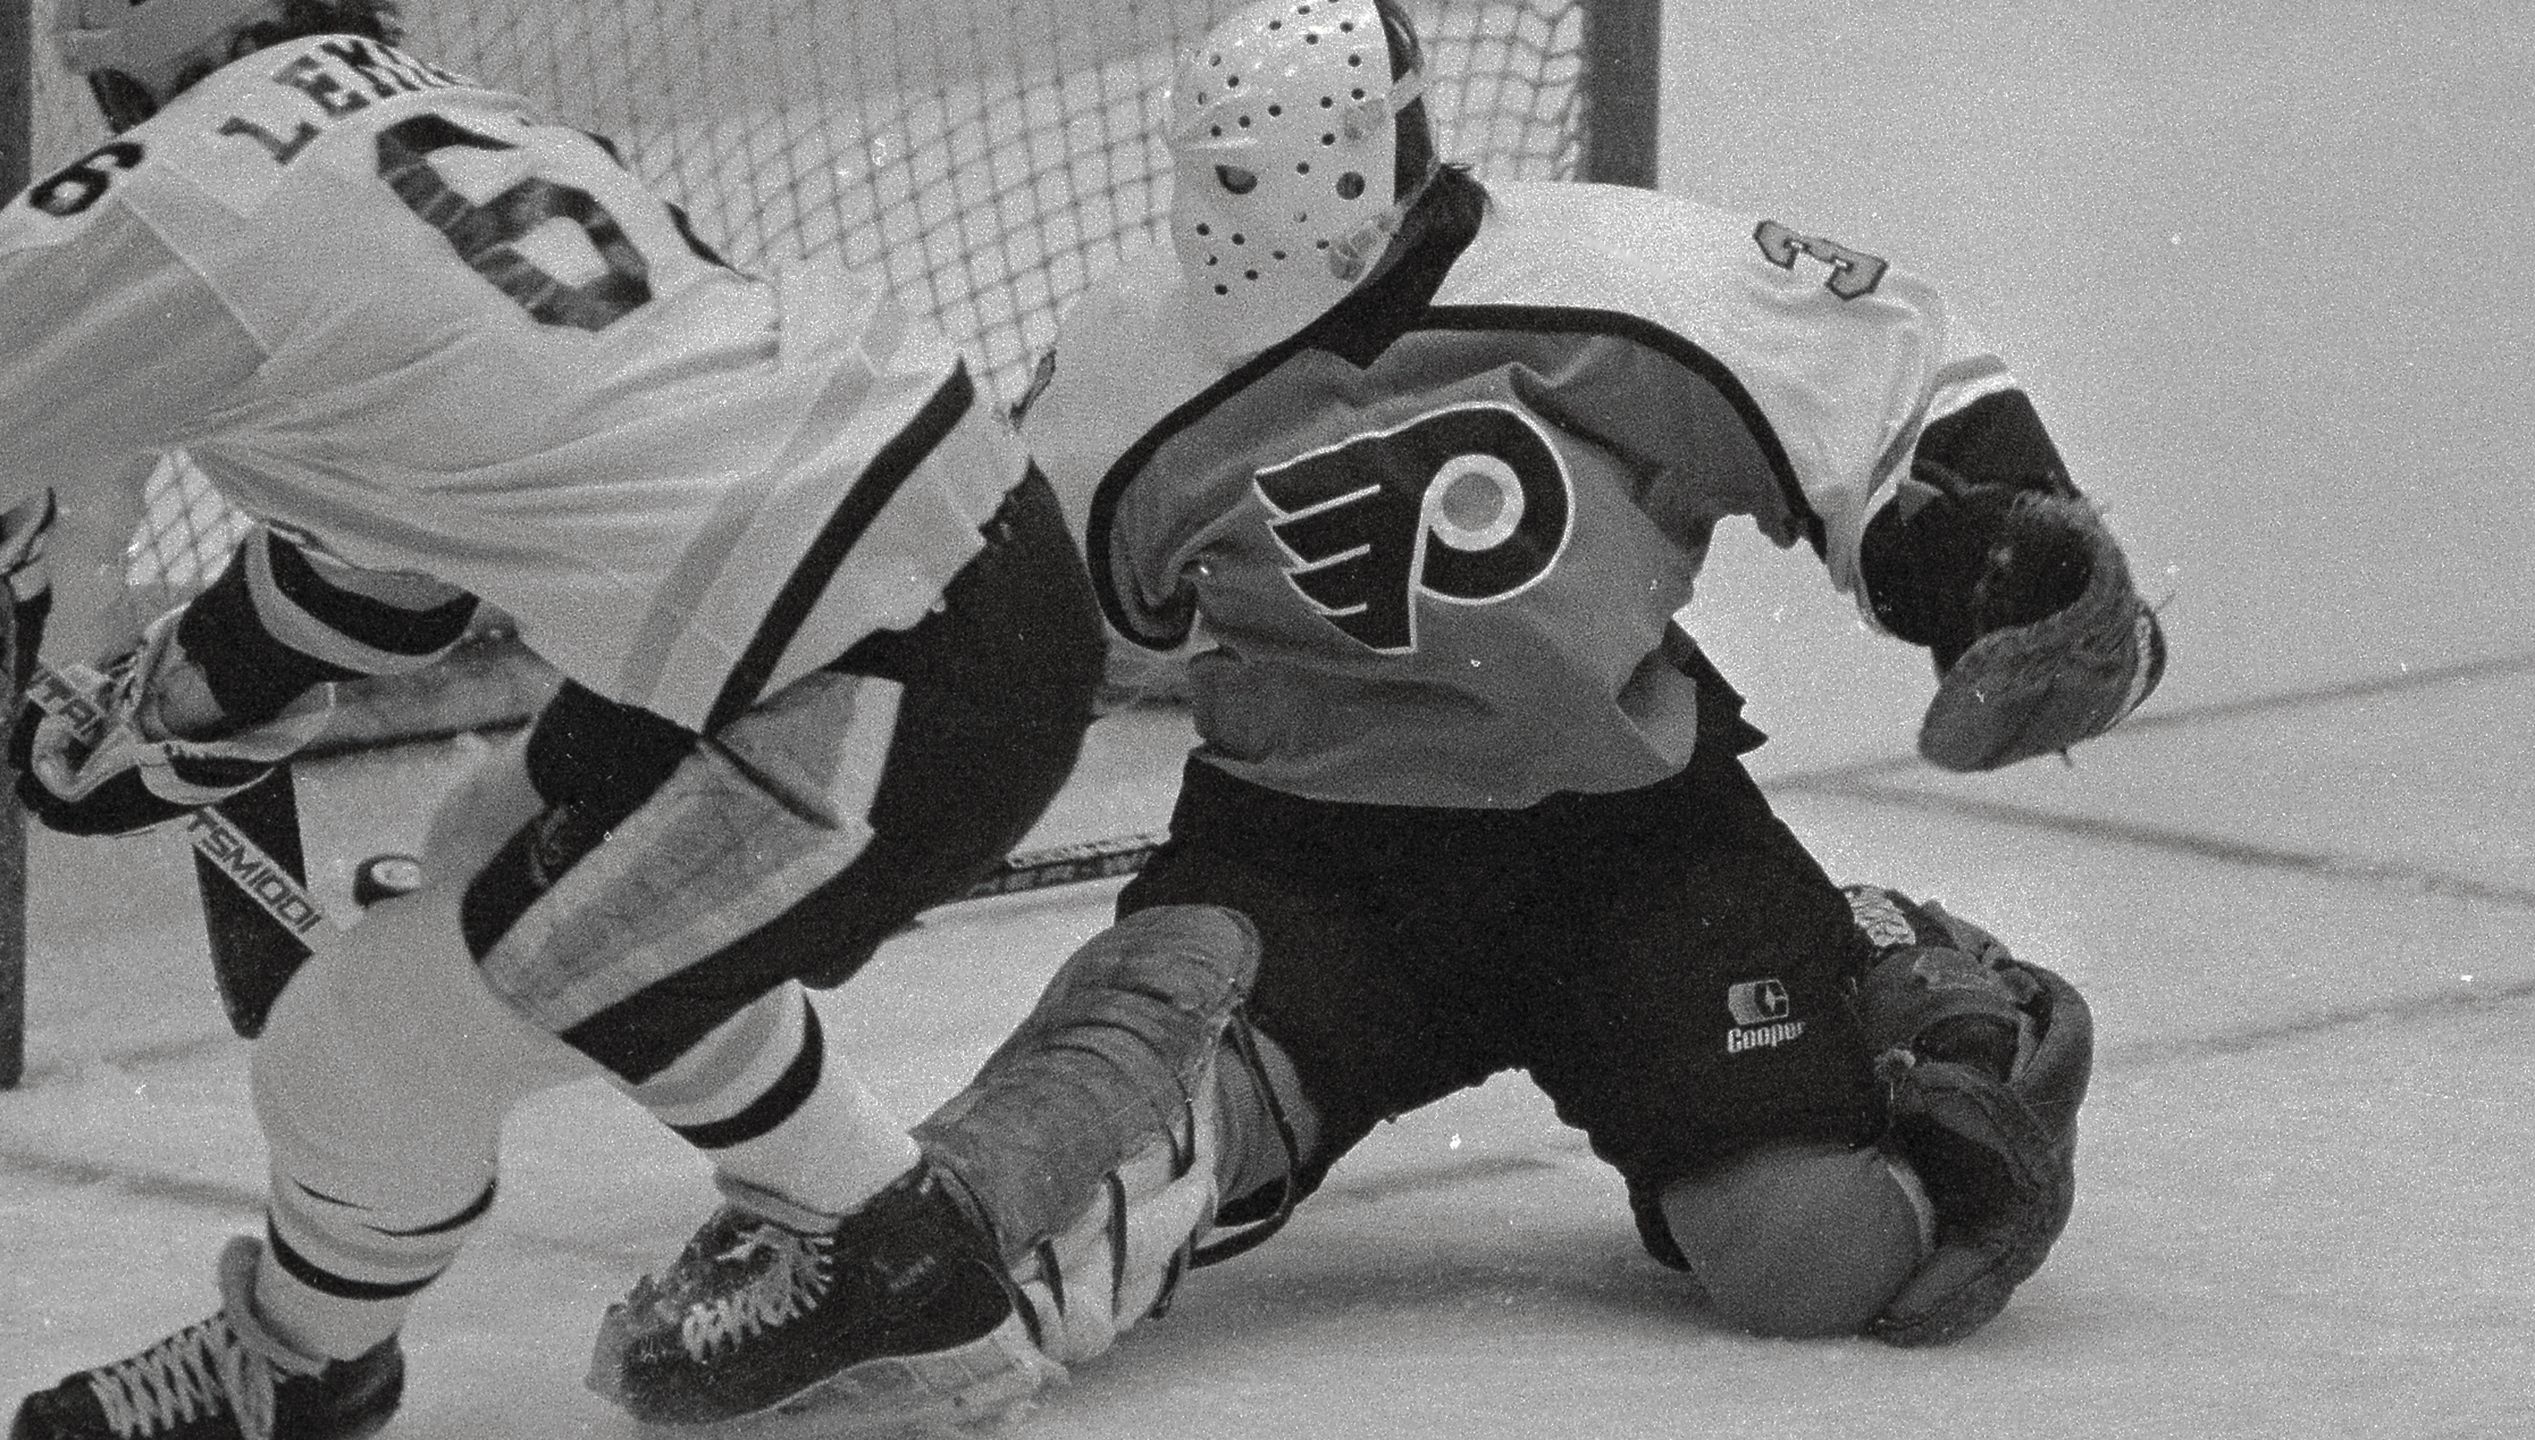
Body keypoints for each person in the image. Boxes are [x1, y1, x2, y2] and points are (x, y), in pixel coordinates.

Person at [582, 0, 2165, 1429]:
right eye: (1225, 172)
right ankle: (902, 1235)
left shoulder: (1615, 277)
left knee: (1814, 1268)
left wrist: (1992, 553)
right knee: (1103, 1112)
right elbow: (1013, 607)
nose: (1251, 213)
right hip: (1306, 866)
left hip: (1626, 846)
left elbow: (1896, 382)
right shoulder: (1133, 362)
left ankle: (1884, 961)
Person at [1, 2, 1107, 1437]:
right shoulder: (399, 109)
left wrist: (101, 650)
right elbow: (382, 575)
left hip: (869, 679)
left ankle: (298, 1364)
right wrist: (176, 708)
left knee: (356, 1047)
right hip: (911, 586)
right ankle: (881, 1247)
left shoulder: (190, 196)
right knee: (492, 850)